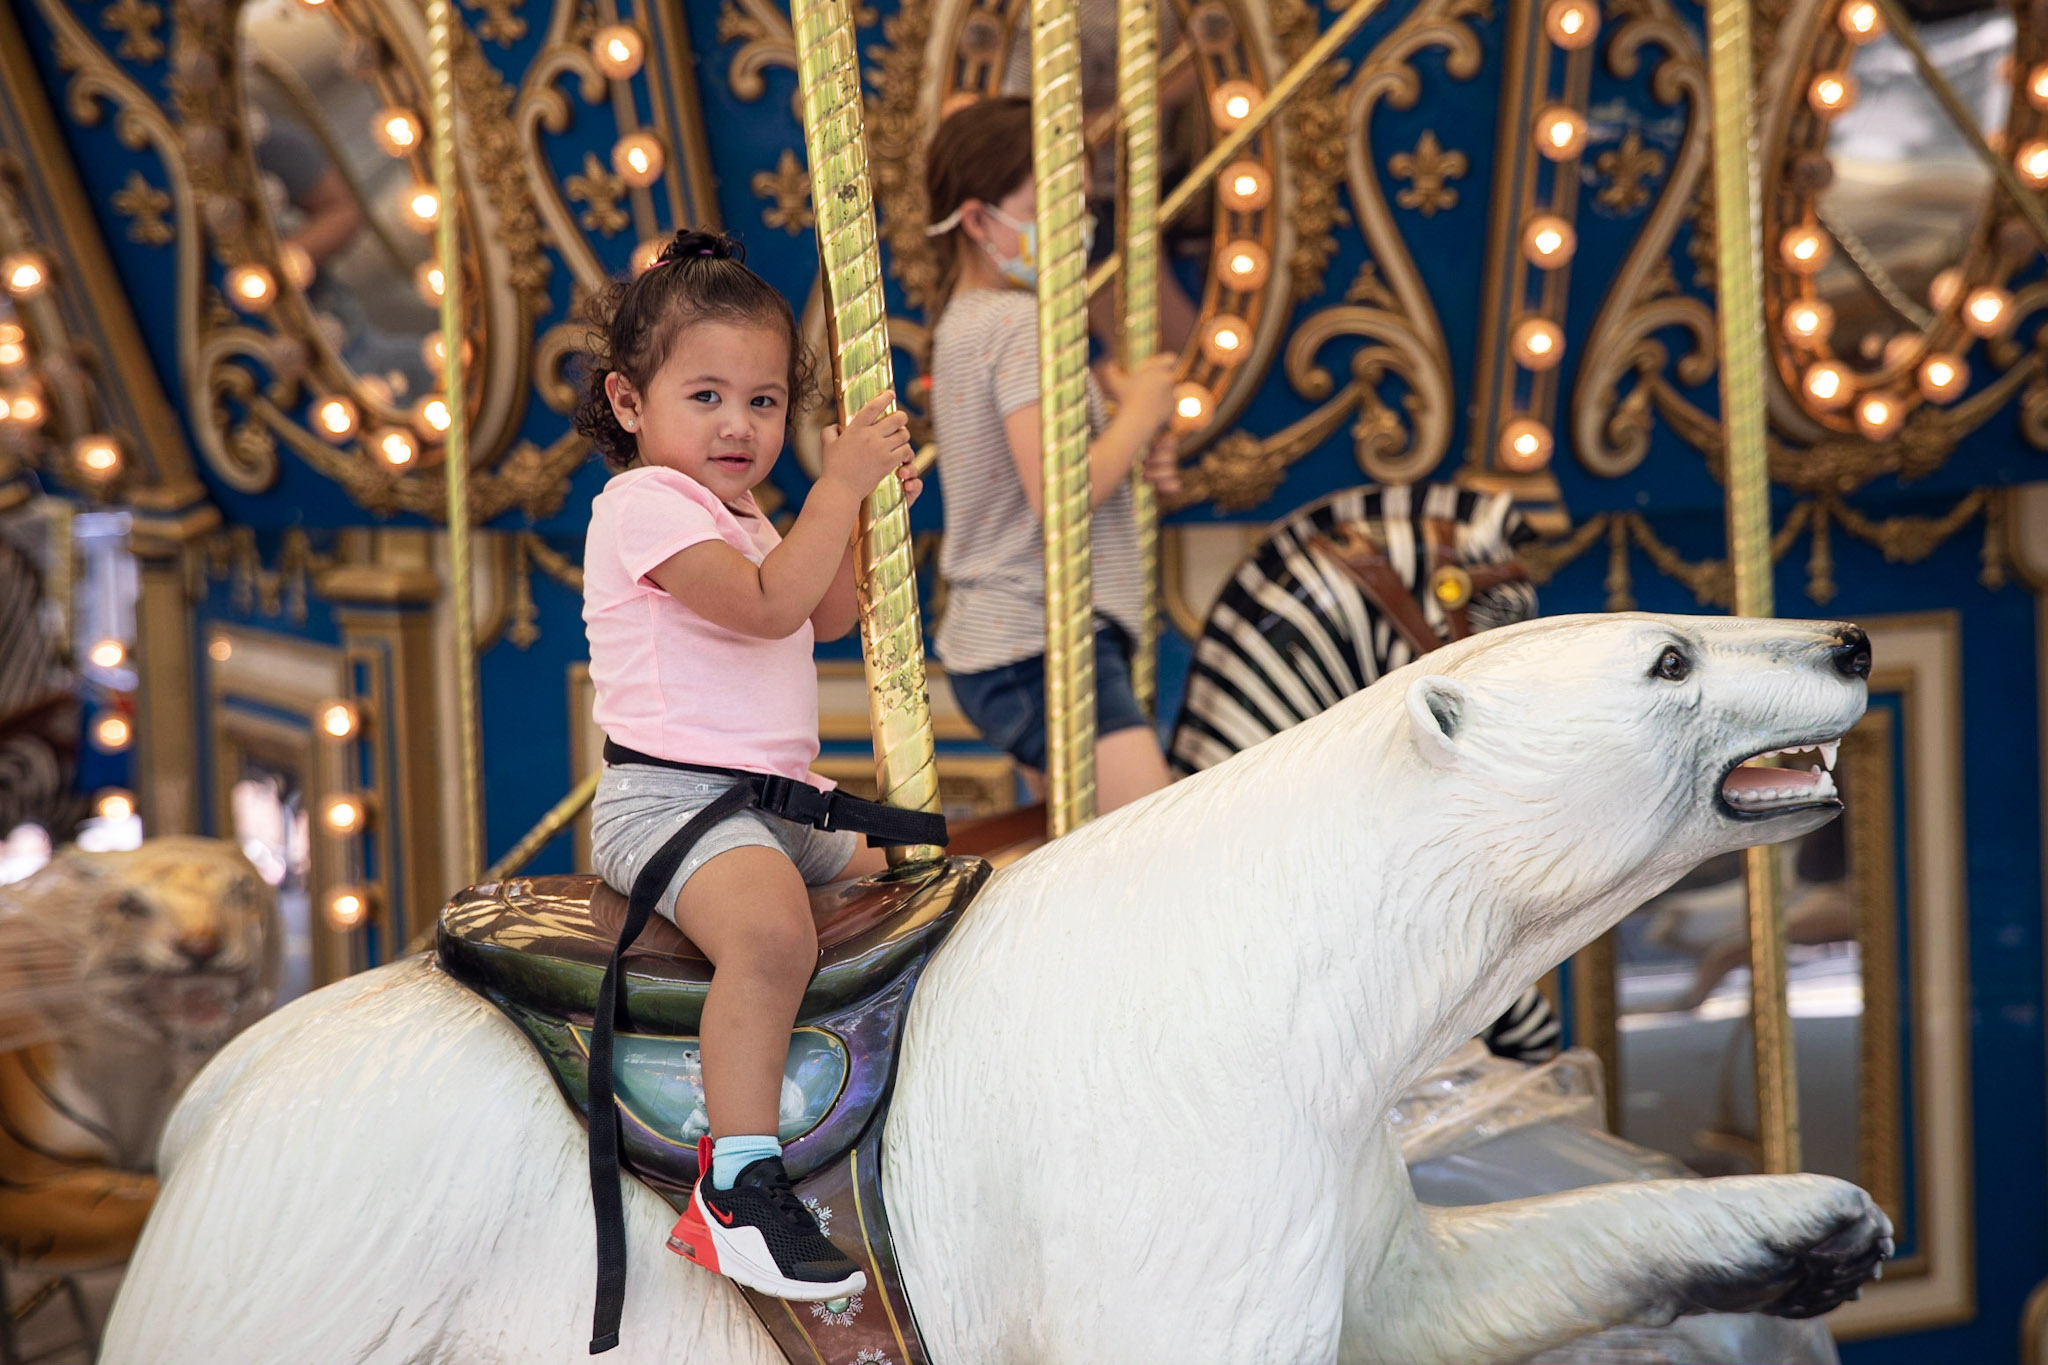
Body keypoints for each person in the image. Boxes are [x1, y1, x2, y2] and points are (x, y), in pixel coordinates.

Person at [573, 228, 917, 1301]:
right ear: (630, 403)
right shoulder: (643, 506)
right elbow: (768, 608)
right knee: (771, 934)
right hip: (669, 804)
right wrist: (838, 483)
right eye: (707, 397)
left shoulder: (743, 510)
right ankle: (736, 1184)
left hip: (771, 807)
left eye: (763, 402)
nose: (739, 425)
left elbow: (823, 610)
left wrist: (861, 509)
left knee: (920, 884)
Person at [922, 97, 1181, 813]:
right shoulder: (1017, 325)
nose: (1076, 227)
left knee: (1080, 850)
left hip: (1011, 642)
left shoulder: (966, 322)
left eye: (1082, 205)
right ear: (978, 221)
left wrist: (1122, 426)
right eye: (1050, 207)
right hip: (1040, 640)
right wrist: (1141, 412)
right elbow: (1059, 497)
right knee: (1156, 837)